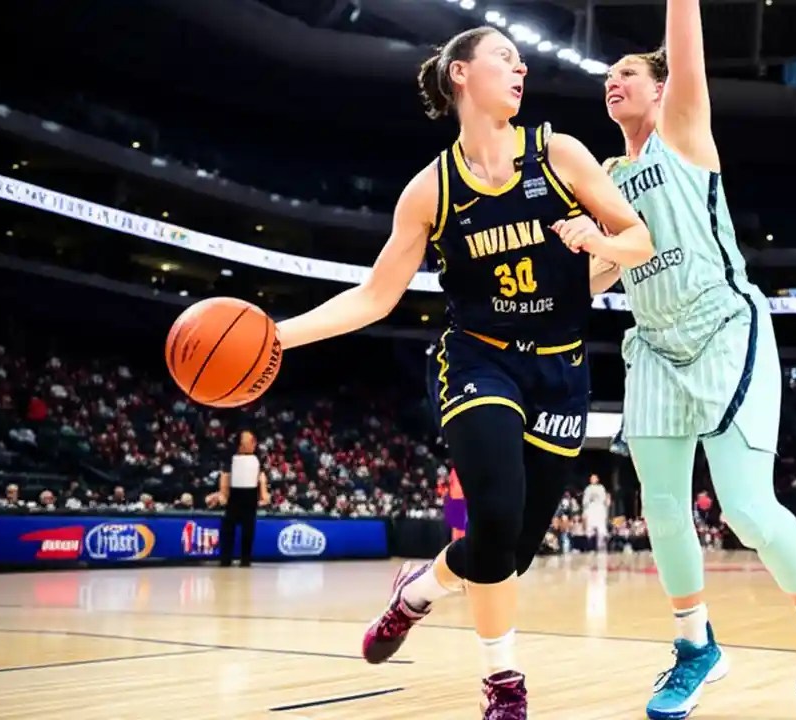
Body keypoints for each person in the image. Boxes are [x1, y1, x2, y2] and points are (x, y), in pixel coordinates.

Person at [273, 26, 652, 719]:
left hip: (561, 371)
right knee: (496, 514)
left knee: (508, 551)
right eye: (504, 56)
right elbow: (373, 296)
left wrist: (599, 238)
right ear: (460, 74)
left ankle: (417, 592)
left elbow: (639, 236)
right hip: (477, 360)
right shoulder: (430, 190)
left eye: (520, 59)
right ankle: (503, 684)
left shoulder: (560, 154)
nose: (521, 66)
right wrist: (276, 337)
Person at [597, 1, 796, 717]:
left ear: (659, 86)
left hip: (723, 330)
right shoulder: (608, 175)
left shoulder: (682, 130)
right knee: (665, 509)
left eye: (627, 73)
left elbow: (686, 43)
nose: (612, 82)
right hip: (651, 343)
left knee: (746, 509)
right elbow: (604, 273)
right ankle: (694, 646)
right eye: (606, 76)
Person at [219, 430, 269, 567]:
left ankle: (245, 559)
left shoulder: (258, 458)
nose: (252, 443)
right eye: (248, 440)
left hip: (250, 495)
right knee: (229, 528)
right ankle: (225, 558)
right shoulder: (231, 457)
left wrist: (264, 493)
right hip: (235, 495)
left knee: (248, 529)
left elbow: (261, 476)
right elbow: (225, 475)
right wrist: (223, 492)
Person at [582, 473, 610, 552]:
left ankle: (601, 547)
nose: (593, 480)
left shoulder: (601, 488)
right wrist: (585, 513)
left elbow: (605, 501)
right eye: (592, 478)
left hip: (599, 511)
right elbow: (585, 502)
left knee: (601, 530)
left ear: (597, 479)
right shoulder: (588, 489)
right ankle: (591, 548)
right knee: (590, 530)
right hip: (591, 511)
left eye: (594, 478)